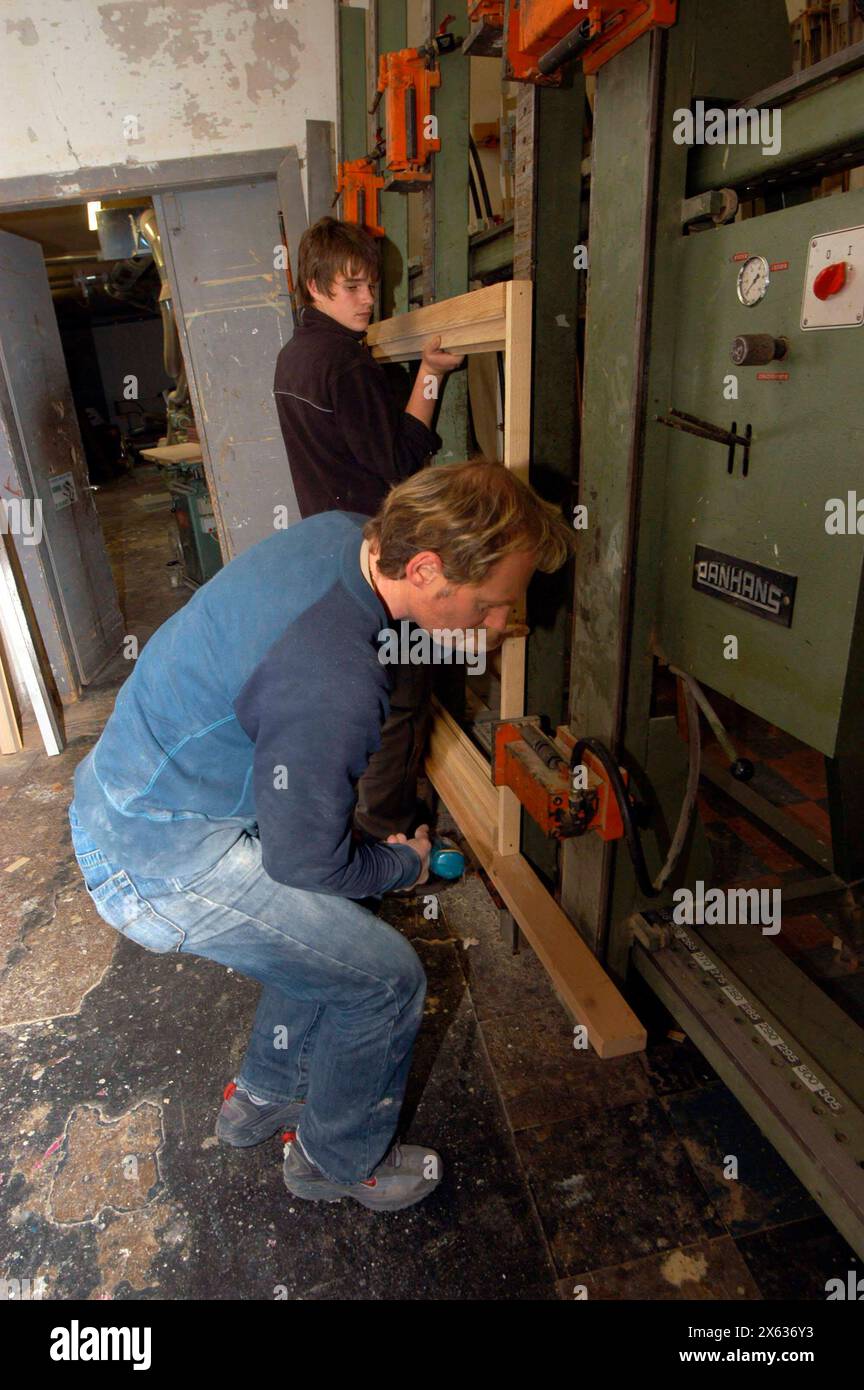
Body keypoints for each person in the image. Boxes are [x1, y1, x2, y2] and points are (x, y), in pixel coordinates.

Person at [68, 460, 572, 1212]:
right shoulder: (334, 681)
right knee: (385, 981)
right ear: (427, 567)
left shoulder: (343, 538)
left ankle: (265, 1095)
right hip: (156, 862)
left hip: (129, 793)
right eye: (493, 606)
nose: (501, 626)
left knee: (325, 942)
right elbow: (305, 860)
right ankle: (335, 1162)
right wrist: (401, 867)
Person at [274, 216, 464, 844]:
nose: (366, 300)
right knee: (401, 699)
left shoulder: (293, 357)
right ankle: (390, 834)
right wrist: (432, 372)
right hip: (377, 551)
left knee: (367, 689)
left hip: (331, 544)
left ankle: (357, 812)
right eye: (350, 286)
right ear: (314, 286)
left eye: (370, 285)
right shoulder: (344, 366)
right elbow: (401, 459)